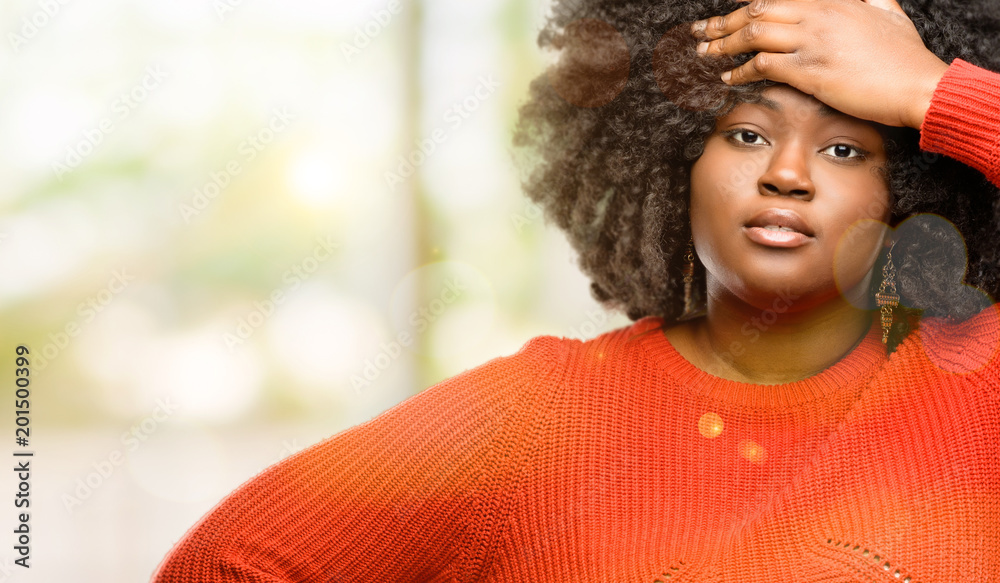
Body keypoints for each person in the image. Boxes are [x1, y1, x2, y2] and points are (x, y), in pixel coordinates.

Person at [151, 0, 1000, 581]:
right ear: (670, 161)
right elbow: (225, 565)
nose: (786, 173)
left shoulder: (977, 384)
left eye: (846, 150)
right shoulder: (537, 416)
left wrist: (929, 88)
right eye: (746, 134)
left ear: (909, 193)